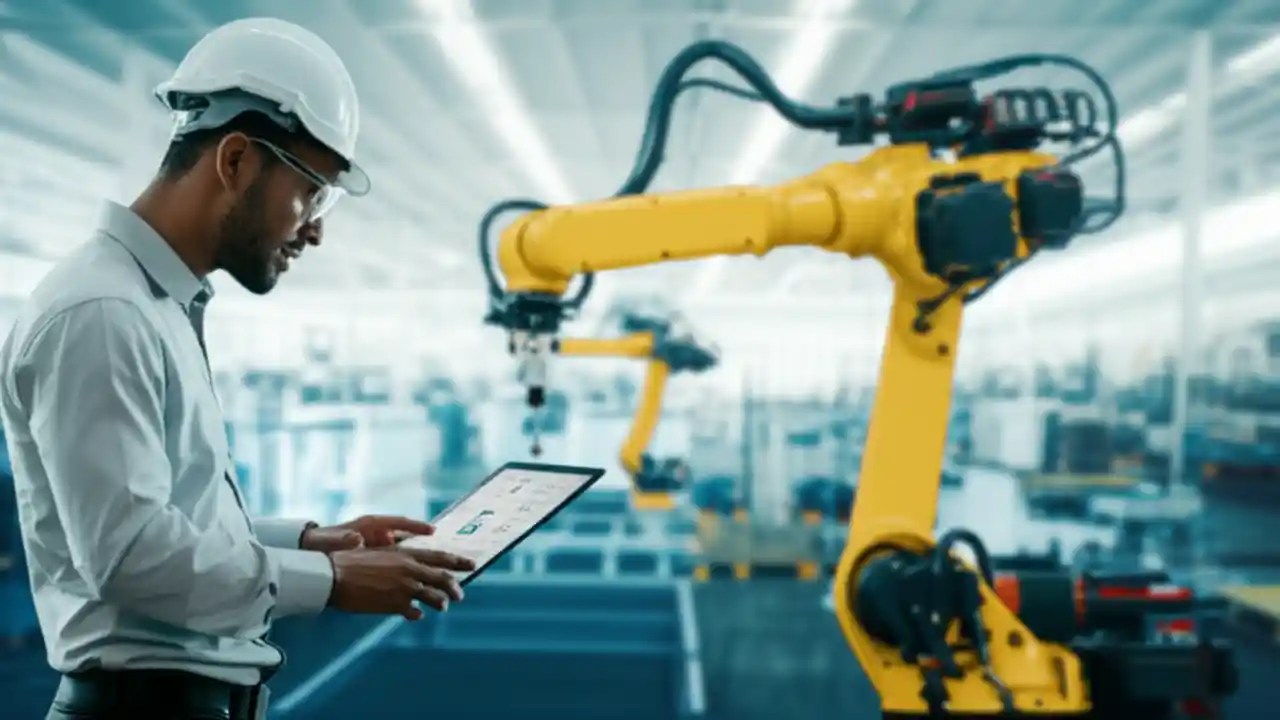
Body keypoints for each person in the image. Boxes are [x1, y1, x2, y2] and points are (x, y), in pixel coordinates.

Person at [0, 17, 474, 720]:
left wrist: (311, 541)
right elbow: (130, 557)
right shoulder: (102, 311)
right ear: (235, 161)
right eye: (312, 192)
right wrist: (332, 578)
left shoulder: (154, 306)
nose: (315, 228)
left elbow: (171, 519)